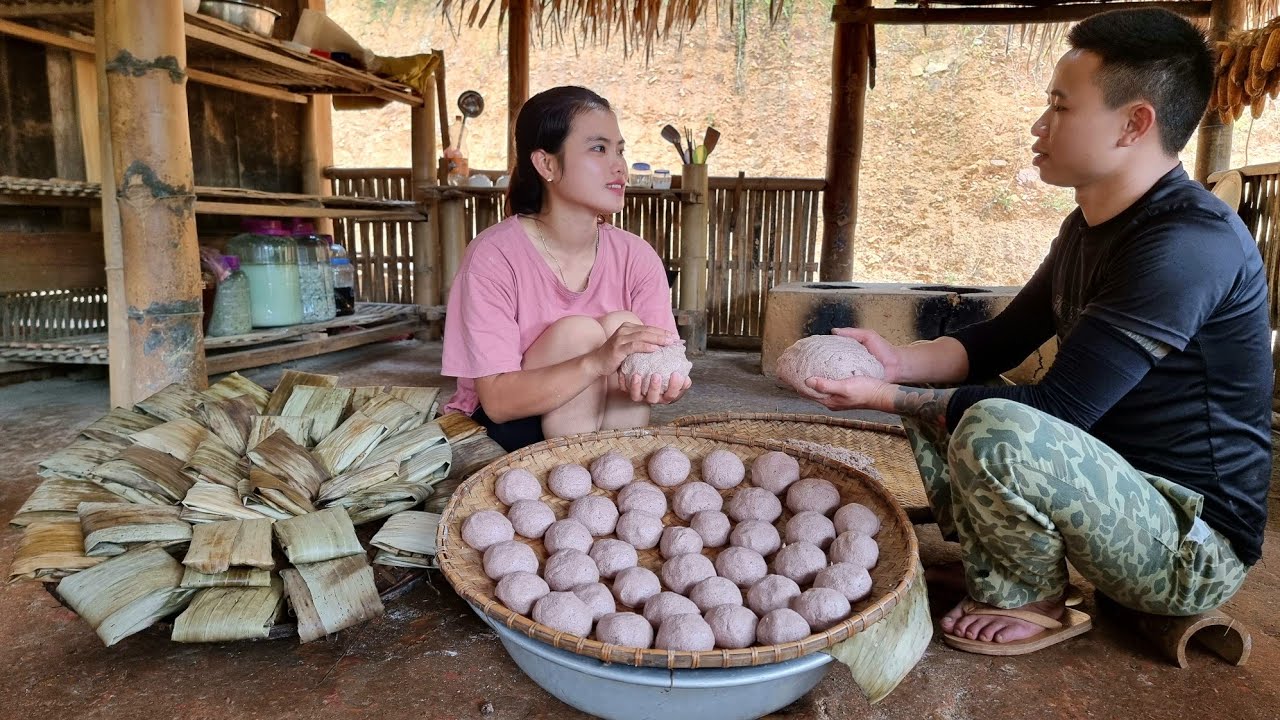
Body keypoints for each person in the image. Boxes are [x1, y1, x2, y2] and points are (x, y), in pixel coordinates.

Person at [804, 8, 1271, 655]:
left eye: (1060, 106)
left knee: (988, 421)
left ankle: (1032, 596)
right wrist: (895, 363)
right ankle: (999, 561)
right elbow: (1000, 341)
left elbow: (1059, 409)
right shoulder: (1085, 228)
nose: (1039, 125)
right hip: (1115, 503)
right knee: (944, 397)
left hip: (1190, 547)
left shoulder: (1187, 245)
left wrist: (889, 397)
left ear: (1134, 124)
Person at [441, 86, 691, 452]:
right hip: (510, 431)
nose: (619, 166)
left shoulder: (636, 257)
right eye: (599, 148)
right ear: (547, 164)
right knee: (579, 333)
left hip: (610, 432)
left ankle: (610, 470)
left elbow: (661, 359)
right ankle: (573, 473)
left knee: (624, 325)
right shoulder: (493, 257)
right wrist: (597, 362)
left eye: (620, 150)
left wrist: (664, 381)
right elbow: (497, 401)